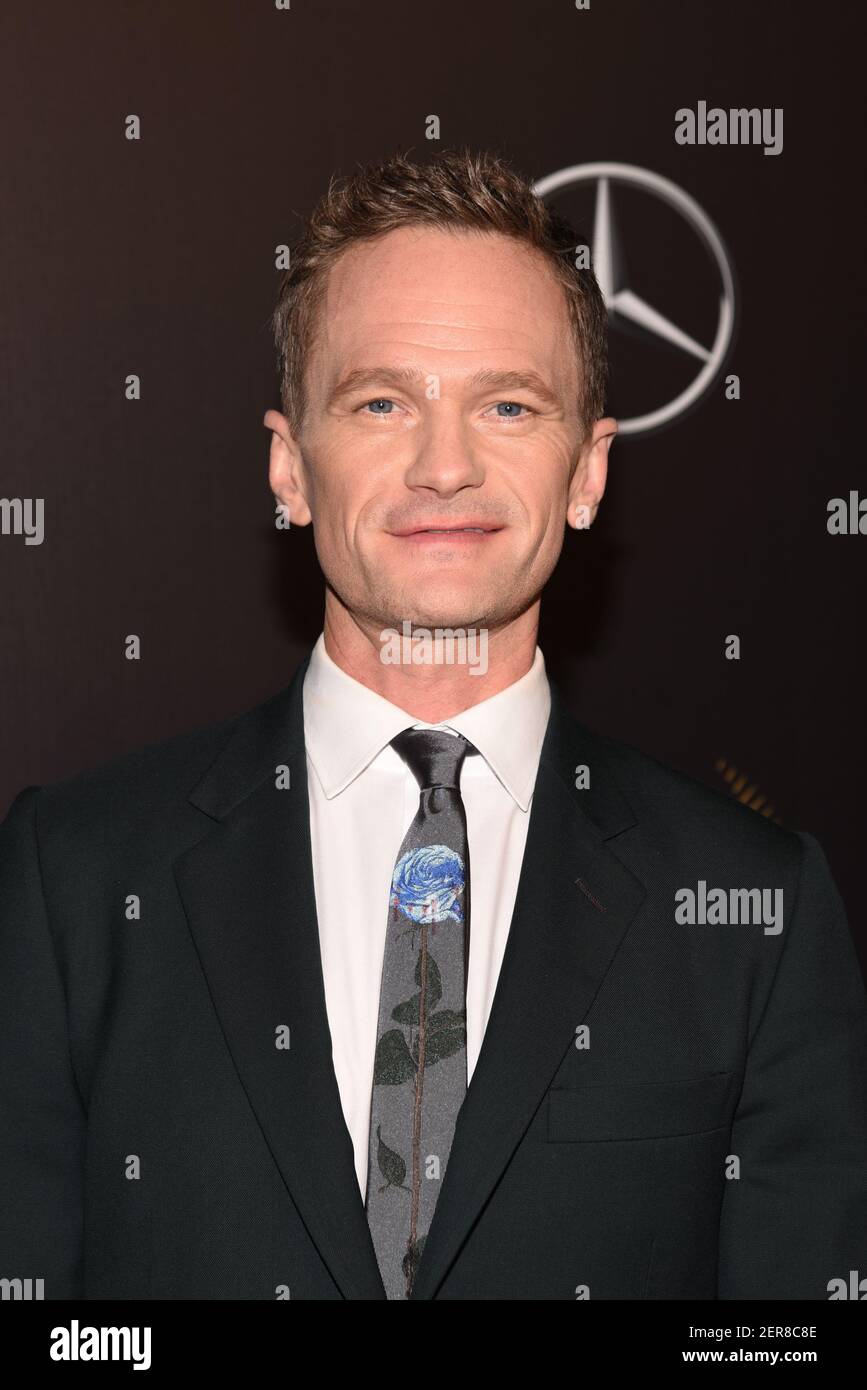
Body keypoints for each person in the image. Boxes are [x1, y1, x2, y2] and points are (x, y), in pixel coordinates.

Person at [1, 148, 865, 1301]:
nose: (445, 464)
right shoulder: (76, 878)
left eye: (508, 404)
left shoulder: (753, 910)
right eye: (380, 402)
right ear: (288, 467)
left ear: (589, 471)